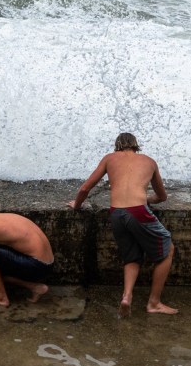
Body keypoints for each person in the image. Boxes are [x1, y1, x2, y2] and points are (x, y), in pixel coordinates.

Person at [68, 132, 177, 317]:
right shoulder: (149, 161)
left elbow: (85, 188)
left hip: (116, 213)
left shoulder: (109, 158)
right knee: (167, 250)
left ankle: (127, 297)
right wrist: (146, 199)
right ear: (136, 146)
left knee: (131, 256)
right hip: (138, 212)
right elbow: (162, 197)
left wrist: (76, 205)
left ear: (117, 145)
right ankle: (154, 303)